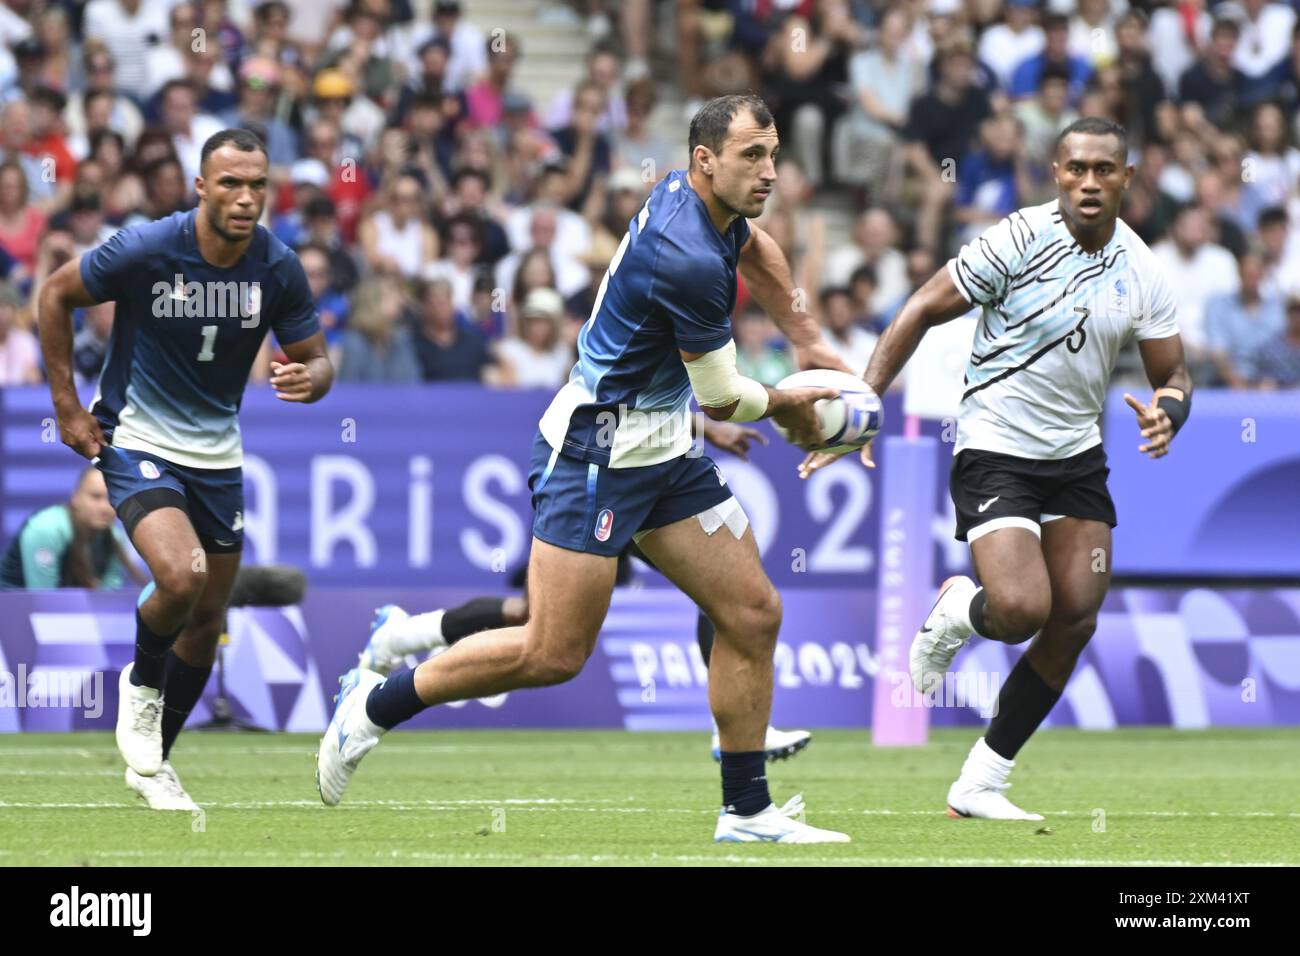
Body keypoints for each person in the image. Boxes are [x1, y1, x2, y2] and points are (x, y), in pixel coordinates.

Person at [316, 94, 854, 844]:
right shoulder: (687, 253)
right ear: (705, 162)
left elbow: (756, 249)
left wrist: (807, 339)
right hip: (596, 453)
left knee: (752, 612)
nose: (769, 171)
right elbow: (726, 393)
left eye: (772, 154)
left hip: (662, 449)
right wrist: (792, 407)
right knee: (552, 652)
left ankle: (746, 810)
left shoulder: (702, 203)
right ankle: (374, 706)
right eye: (751, 157)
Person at [802, 116, 1192, 821]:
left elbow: (1174, 374)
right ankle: (958, 610)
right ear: (1056, 172)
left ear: (1127, 178)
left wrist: (1170, 411)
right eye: (1076, 168)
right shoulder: (1016, 239)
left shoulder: (1143, 270)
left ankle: (981, 781)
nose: (1090, 182)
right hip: (996, 446)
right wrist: (863, 401)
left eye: (1105, 169)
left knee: (1076, 616)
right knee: (1018, 610)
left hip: (1076, 457)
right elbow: (921, 307)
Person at [37, 128, 331, 812]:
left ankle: (154, 766)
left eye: (257, 184)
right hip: (138, 438)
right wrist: (67, 407)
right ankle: (140, 690)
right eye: (229, 182)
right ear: (201, 187)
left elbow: (317, 358)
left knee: (206, 618)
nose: (245, 196)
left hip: (218, 456)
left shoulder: (277, 267)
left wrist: (310, 380)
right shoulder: (147, 248)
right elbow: (54, 295)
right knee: (183, 574)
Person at [359, 412, 813, 763]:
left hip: (646, 485)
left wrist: (705, 428)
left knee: (723, 596)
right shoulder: (613, 331)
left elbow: (654, 402)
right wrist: (742, 412)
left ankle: (731, 731)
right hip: (591, 482)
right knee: (532, 620)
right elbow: (617, 407)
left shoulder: (654, 312)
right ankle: (402, 635)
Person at [0, 468, 145, 590]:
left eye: (112, 498)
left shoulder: (116, 536)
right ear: (75, 497)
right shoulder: (46, 529)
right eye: (95, 497)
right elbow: (43, 599)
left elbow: (108, 595)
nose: (105, 507)